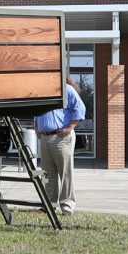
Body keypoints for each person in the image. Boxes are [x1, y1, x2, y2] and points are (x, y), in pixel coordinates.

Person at [30, 81, 86, 214]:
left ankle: (67, 205)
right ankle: (49, 205)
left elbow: (80, 107)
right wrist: (37, 127)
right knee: (47, 174)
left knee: (65, 173)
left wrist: (70, 127)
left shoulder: (66, 89)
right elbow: (37, 111)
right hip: (44, 138)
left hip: (62, 137)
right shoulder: (40, 89)